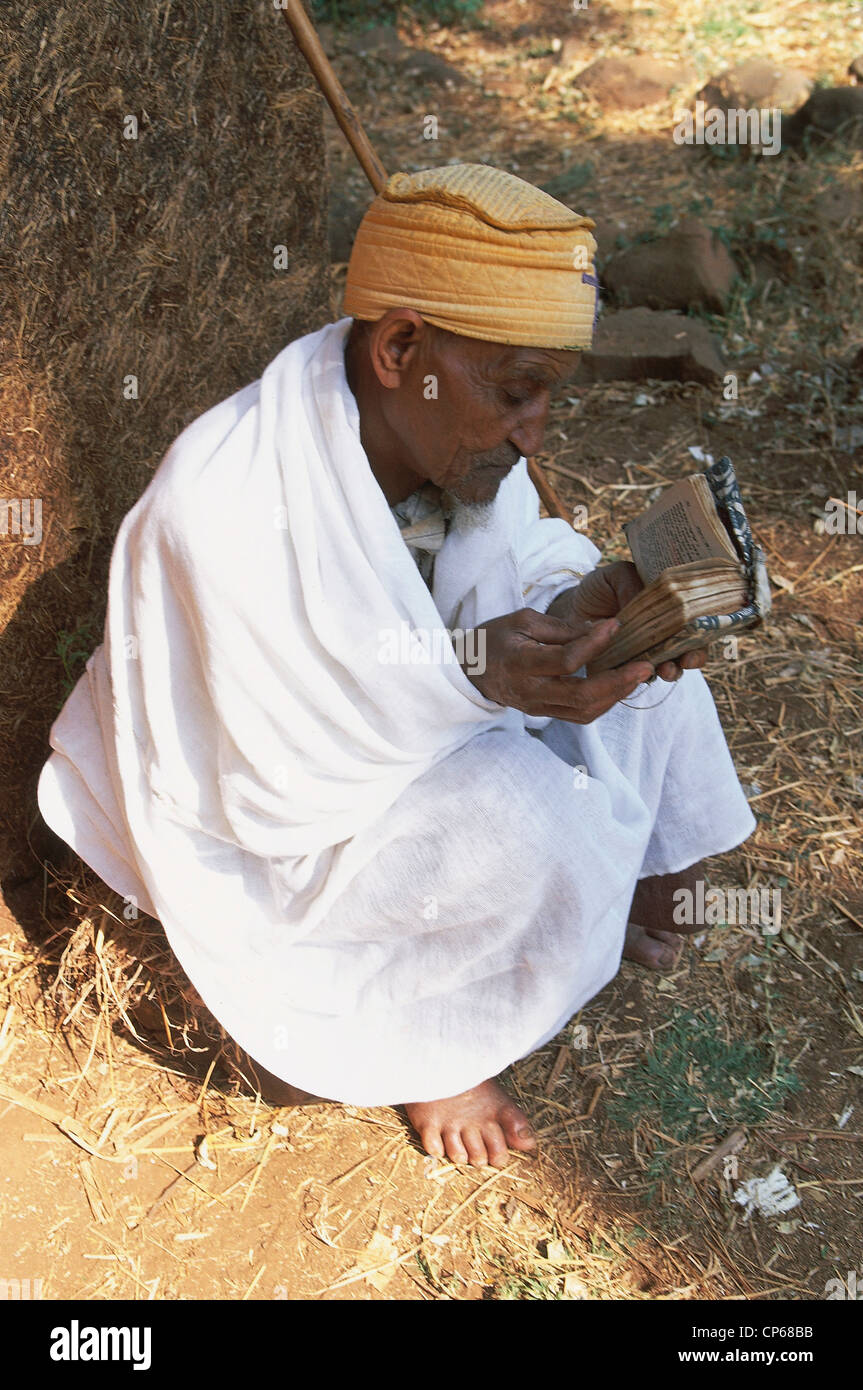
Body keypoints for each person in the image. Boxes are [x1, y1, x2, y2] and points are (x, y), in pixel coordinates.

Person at [38, 164, 756, 1168]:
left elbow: (511, 562)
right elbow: (268, 780)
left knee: (650, 690)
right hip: (277, 825)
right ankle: (434, 1051)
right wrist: (470, 677)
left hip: (412, 731)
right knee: (520, 813)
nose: (533, 425)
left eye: (549, 393)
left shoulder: (447, 442)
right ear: (401, 349)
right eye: (515, 390)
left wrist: (586, 607)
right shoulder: (221, 506)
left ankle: (638, 878)